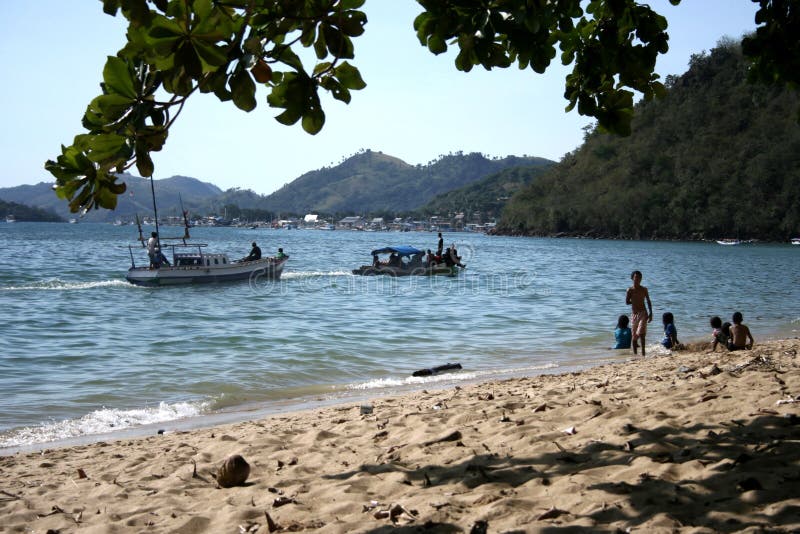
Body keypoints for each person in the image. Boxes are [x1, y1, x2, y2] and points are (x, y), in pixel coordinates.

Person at [625, 270, 653, 356]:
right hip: (634, 314)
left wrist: (651, 313)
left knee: (642, 334)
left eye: (639, 278)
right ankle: (635, 355)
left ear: (641, 279)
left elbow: (648, 301)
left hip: (643, 313)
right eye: (636, 277)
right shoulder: (630, 290)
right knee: (634, 337)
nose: (637, 279)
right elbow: (627, 302)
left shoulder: (644, 289)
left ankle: (643, 354)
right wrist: (634, 301)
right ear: (632, 278)